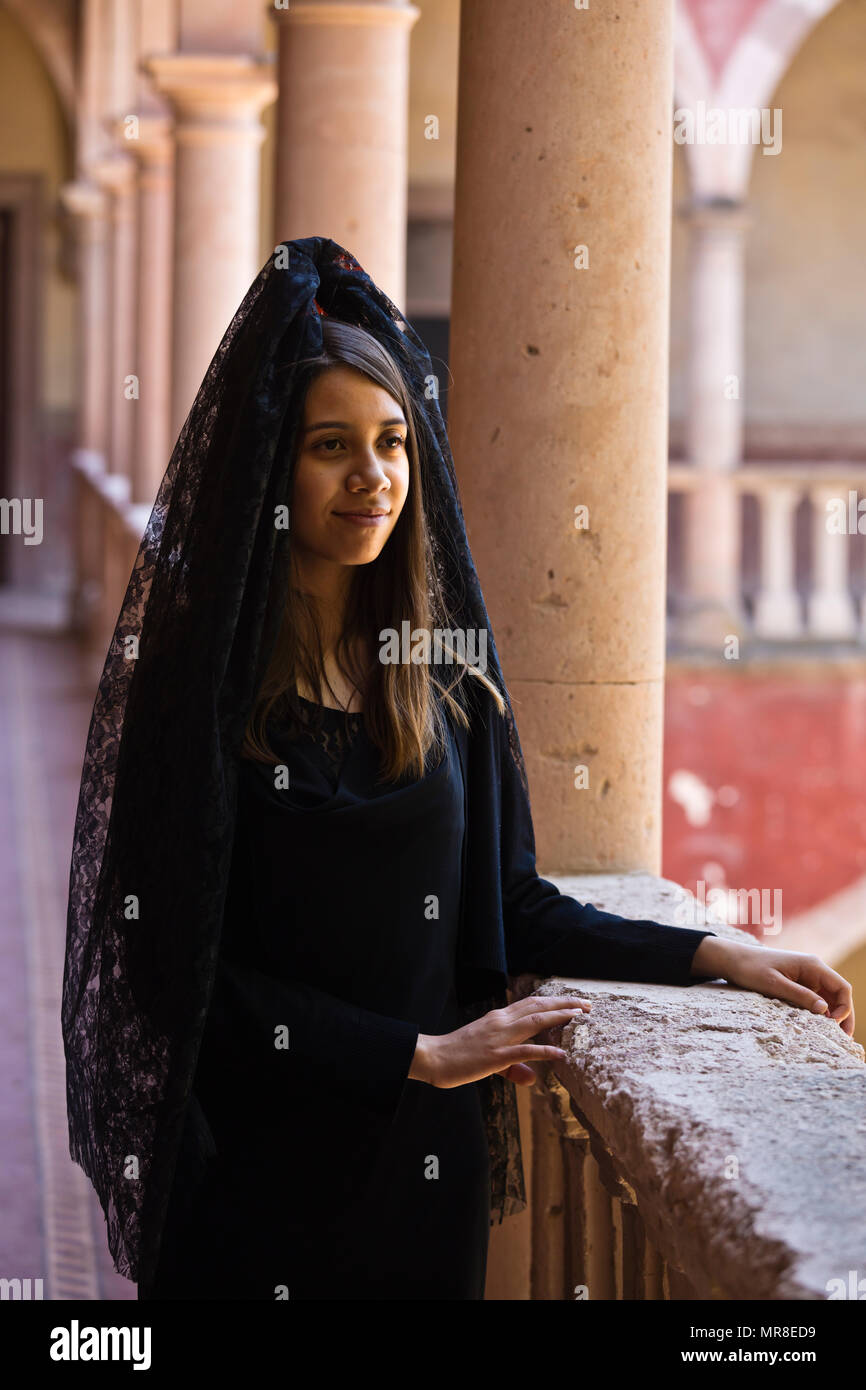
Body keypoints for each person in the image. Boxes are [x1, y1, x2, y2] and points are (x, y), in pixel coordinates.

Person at [63, 239, 855, 1302]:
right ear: (270, 475)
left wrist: (718, 952)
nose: (371, 477)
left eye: (391, 442)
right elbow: (172, 970)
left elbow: (513, 907)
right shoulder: (203, 698)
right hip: (257, 1177)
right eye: (329, 446)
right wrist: (417, 1054)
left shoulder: (444, 685)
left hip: (420, 1178)